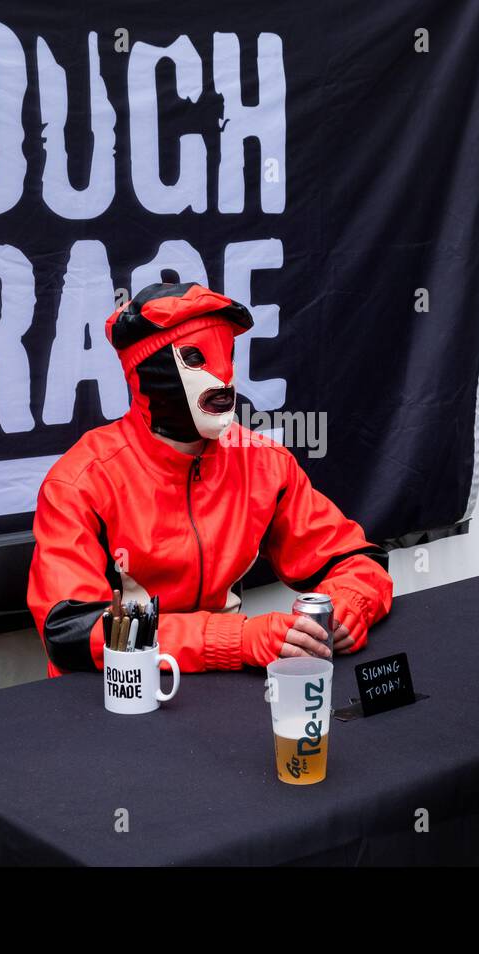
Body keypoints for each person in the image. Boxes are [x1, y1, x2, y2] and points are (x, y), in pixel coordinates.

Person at [28, 281, 393, 677]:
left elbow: (355, 560)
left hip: (225, 692)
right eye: (195, 358)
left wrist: (347, 608)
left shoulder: (262, 464)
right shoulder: (82, 481)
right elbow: (69, 630)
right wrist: (232, 640)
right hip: (112, 695)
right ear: (145, 374)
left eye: (229, 355)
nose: (224, 378)